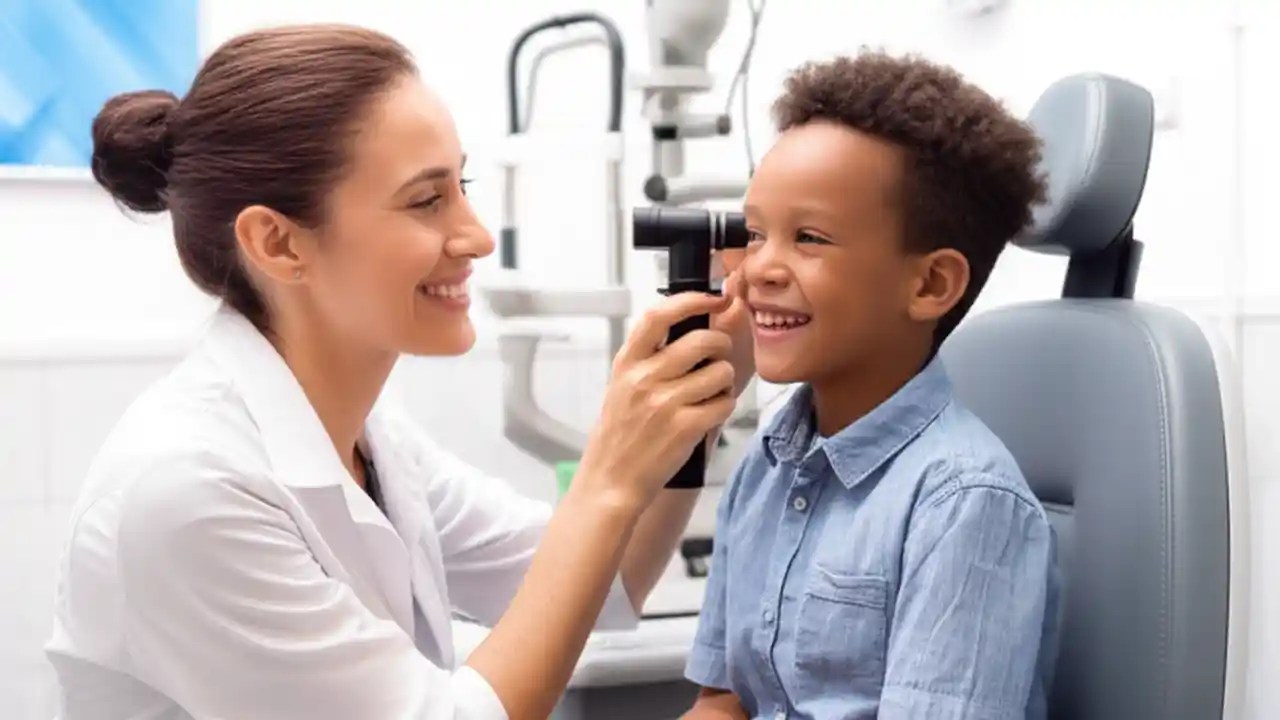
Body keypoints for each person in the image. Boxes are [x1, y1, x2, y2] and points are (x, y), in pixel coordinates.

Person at [45, 24, 754, 720]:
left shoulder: (368, 440)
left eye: (463, 184)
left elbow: (611, 583)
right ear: (277, 242)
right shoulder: (186, 490)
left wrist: (711, 386)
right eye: (426, 199)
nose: (477, 235)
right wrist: (609, 471)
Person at [680, 51, 1061, 720]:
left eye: (810, 238)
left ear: (929, 285)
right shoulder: (767, 465)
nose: (759, 267)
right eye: (755, 233)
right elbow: (725, 703)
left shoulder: (964, 503)